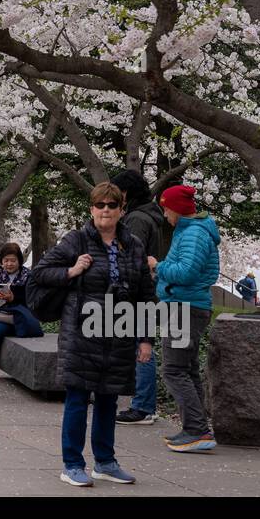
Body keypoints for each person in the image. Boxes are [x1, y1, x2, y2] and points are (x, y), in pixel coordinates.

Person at [32, 182, 154, 487]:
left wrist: (146, 337)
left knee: (108, 400)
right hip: (81, 332)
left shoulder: (134, 245)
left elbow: (146, 294)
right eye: (100, 205)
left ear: (121, 210)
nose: (106, 211)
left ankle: (105, 462)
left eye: (112, 205)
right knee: (77, 398)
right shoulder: (77, 241)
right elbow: (39, 274)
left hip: (119, 332)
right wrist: (71, 271)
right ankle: (72, 463)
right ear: (91, 209)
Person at [151, 184, 221, 453]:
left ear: (177, 209)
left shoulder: (193, 234)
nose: (164, 213)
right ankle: (196, 427)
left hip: (184, 308)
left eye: (166, 207)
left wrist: (157, 265)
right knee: (187, 369)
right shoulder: (192, 231)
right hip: (186, 307)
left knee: (174, 370)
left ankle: (196, 430)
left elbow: (186, 272)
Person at [112, 170, 166, 426]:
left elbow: (130, 258)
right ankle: (144, 404)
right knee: (139, 346)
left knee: (141, 348)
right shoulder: (150, 216)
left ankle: (143, 407)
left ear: (126, 193)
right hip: (144, 291)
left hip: (134, 293)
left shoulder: (135, 220)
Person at [0, 241, 42, 377]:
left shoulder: (28, 276)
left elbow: (33, 299)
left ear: (20, 261)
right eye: (6, 261)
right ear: (1, 261)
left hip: (14, 317)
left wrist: (13, 298)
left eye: (13, 261)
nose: (9, 264)